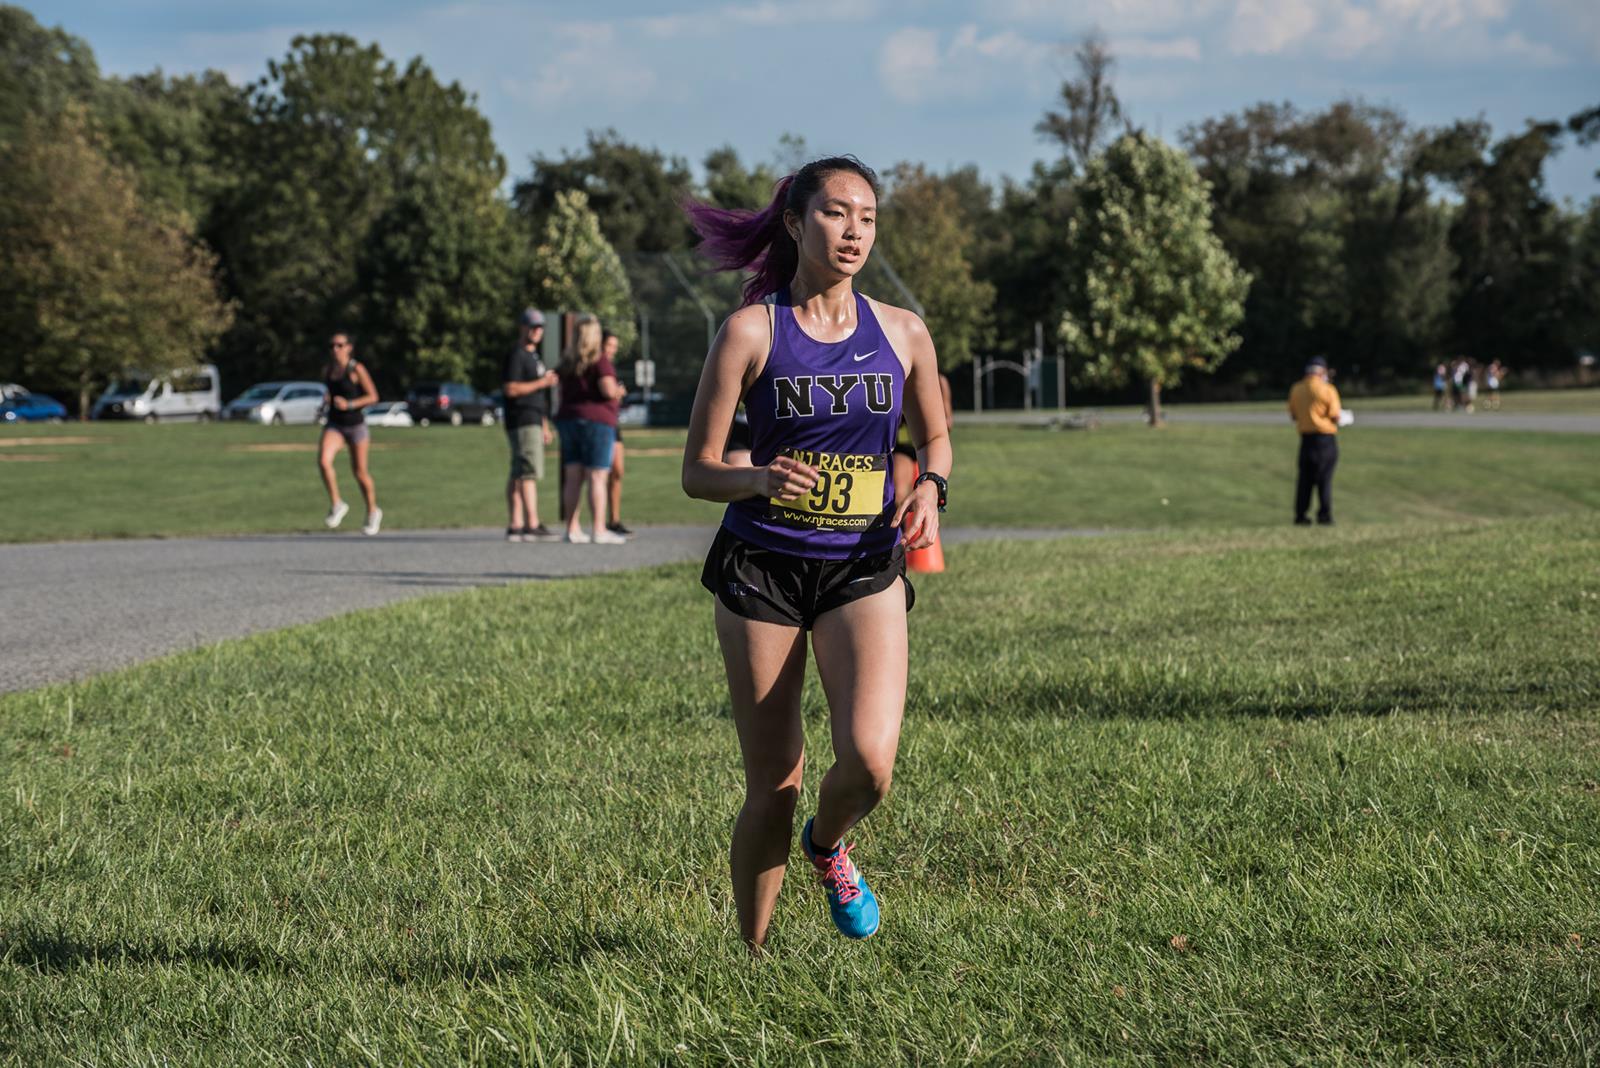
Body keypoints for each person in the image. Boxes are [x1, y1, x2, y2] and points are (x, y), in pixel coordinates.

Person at [681, 156, 951, 949]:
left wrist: (930, 486)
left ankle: (828, 846)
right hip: (761, 566)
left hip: (861, 562)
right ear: (797, 224)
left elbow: (934, 435)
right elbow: (697, 473)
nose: (855, 231)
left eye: (867, 216)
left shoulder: (903, 332)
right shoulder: (750, 331)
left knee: (869, 762)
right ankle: (752, 958)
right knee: (773, 784)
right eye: (836, 214)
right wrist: (759, 476)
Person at [554, 314, 628, 544]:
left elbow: (558, 392)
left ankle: (572, 528)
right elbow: (607, 390)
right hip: (597, 420)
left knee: (573, 475)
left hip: (568, 419)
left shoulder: (567, 361)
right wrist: (619, 391)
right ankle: (598, 529)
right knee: (597, 475)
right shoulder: (600, 360)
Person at [502, 309, 560, 542]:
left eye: (540, 327)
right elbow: (511, 389)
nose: (537, 331)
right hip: (522, 419)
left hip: (534, 418)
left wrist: (544, 425)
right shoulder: (517, 355)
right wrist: (542, 382)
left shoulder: (533, 356)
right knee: (528, 471)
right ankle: (531, 524)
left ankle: (516, 524)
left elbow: (538, 397)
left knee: (519, 471)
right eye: (533, 327)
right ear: (523, 328)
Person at [317, 330, 382, 535]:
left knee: (360, 472)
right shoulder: (327, 370)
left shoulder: (356, 369)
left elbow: (373, 396)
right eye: (332, 346)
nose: (335, 349)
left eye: (339, 345)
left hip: (356, 426)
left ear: (349, 348)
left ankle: (372, 511)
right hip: (335, 424)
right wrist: (326, 401)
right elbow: (330, 392)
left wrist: (350, 403)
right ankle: (337, 503)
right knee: (323, 462)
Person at [1287, 355, 1341, 526]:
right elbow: (1335, 415)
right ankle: (1324, 514)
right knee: (1324, 479)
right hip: (1325, 439)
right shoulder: (1328, 389)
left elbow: (1294, 415)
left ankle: (1301, 515)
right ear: (1322, 371)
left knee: (1305, 479)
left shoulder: (1296, 389)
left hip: (1306, 440)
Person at [600, 330, 633, 537]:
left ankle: (614, 519)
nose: (612, 350)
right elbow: (607, 393)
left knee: (617, 471)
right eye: (609, 345)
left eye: (614, 346)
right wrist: (616, 392)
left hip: (614, 422)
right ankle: (601, 520)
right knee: (602, 472)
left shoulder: (609, 367)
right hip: (601, 424)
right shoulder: (597, 365)